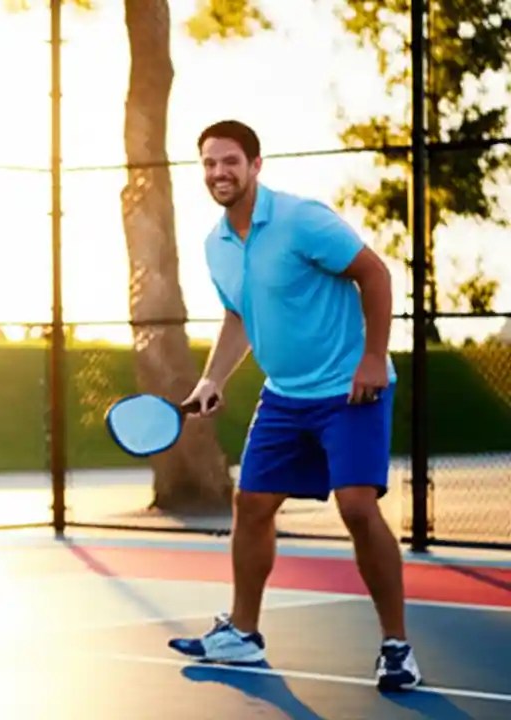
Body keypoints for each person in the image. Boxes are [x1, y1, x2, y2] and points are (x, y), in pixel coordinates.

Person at [166, 119, 421, 693]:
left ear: (256, 166)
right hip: (285, 394)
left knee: (356, 506)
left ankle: (397, 647)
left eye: (230, 161)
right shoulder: (216, 244)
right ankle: (244, 635)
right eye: (208, 163)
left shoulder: (301, 219)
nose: (218, 173)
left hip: (350, 388)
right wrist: (212, 378)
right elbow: (239, 316)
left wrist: (373, 357)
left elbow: (373, 273)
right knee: (251, 503)